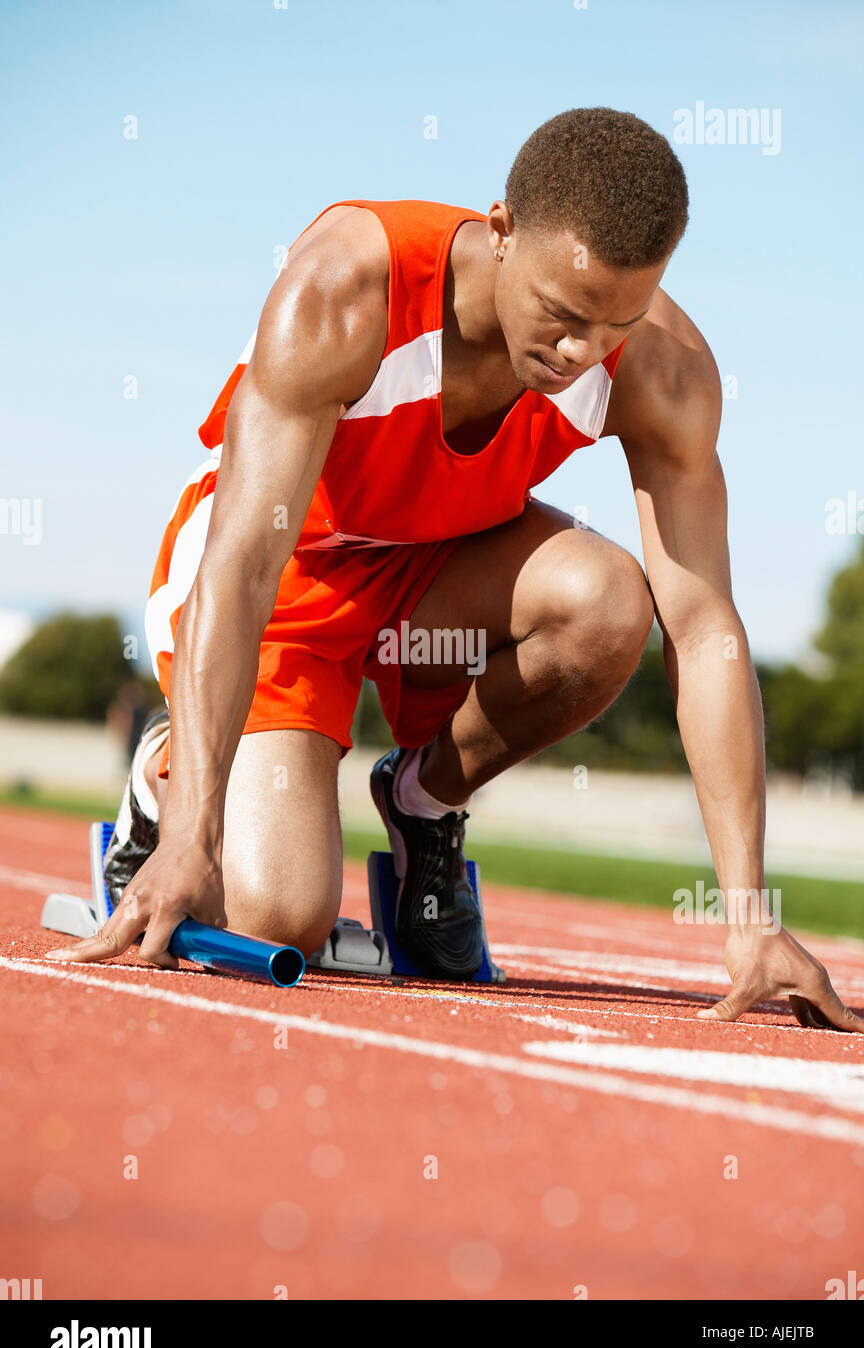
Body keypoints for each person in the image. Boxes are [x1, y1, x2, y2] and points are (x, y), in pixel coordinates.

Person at [49, 108, 862, 1031]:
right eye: (561, 315)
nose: (581, 355)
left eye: (616, 323)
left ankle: (422, 802)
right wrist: (195, 831)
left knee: (609, 603)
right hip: (285, 585)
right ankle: (166, 777)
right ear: (502, 229)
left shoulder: (662, 369)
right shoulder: (348, 287)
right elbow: (238, 566)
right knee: (280, 914)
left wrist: (750, 914)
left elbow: (707, 625)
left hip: (431, 574)